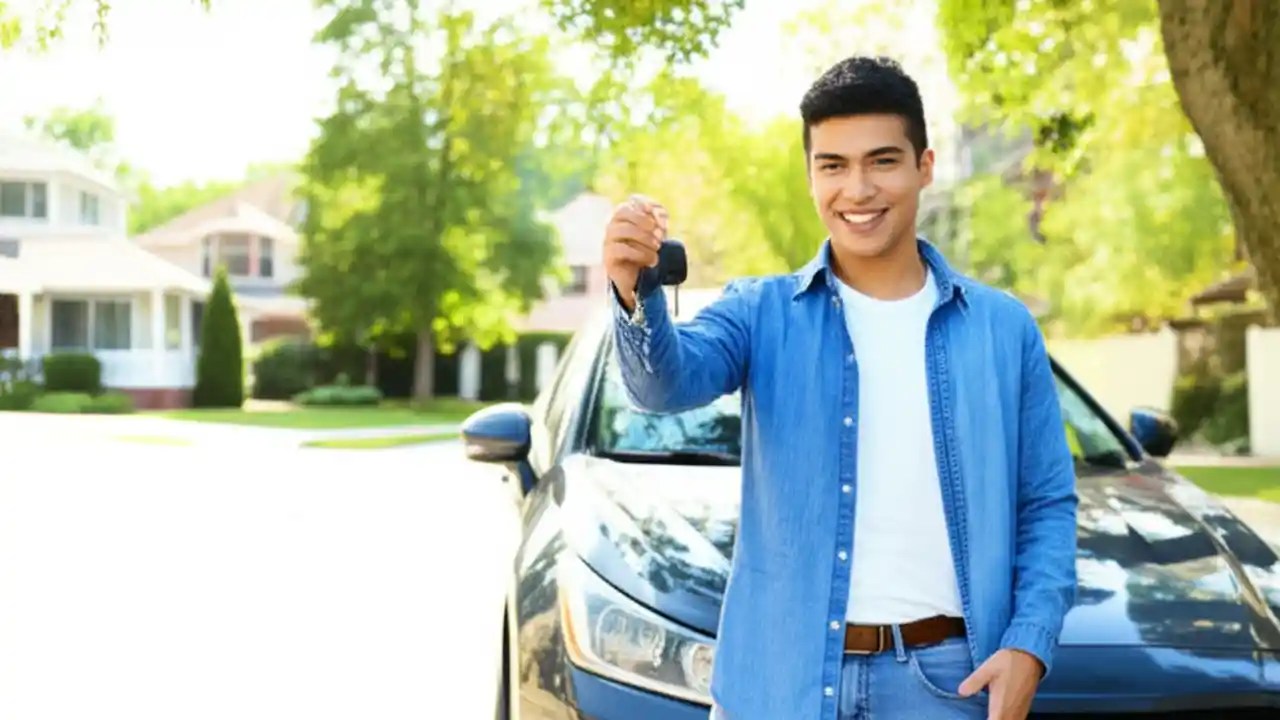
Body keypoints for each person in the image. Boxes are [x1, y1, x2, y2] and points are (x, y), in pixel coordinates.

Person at [601, 55, 1079, 720]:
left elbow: (1048, 504)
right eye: (833, 165)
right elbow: (664, 385)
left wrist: (1029, 646)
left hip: (948, 687)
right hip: (780, 684)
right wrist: (633, 291)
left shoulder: (1004, 330)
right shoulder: (759, 312)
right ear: (810, 177)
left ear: (925, 167)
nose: (857, 189)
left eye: (882, 161)